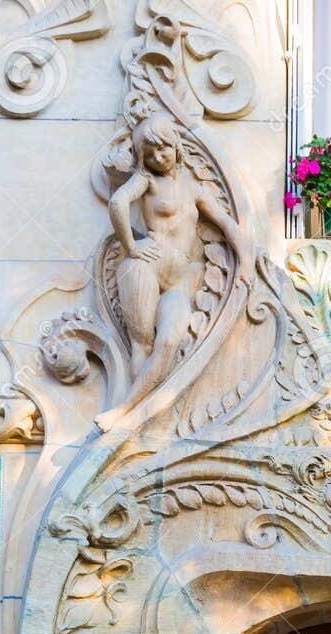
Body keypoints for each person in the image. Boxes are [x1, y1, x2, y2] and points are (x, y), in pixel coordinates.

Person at [108, 111, 252, 415]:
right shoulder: (145, 180)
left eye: (164, 148)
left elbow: (229, 225)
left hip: (182, 278)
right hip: (146, 264)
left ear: (176, 146)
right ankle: (130, 416)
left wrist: (246, 266)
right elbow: (118, 202)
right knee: (142, 345)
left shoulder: (195, 188)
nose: (159, 157)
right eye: (150, 153)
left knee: (170, 339)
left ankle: (131, 411)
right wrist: (131, 246)